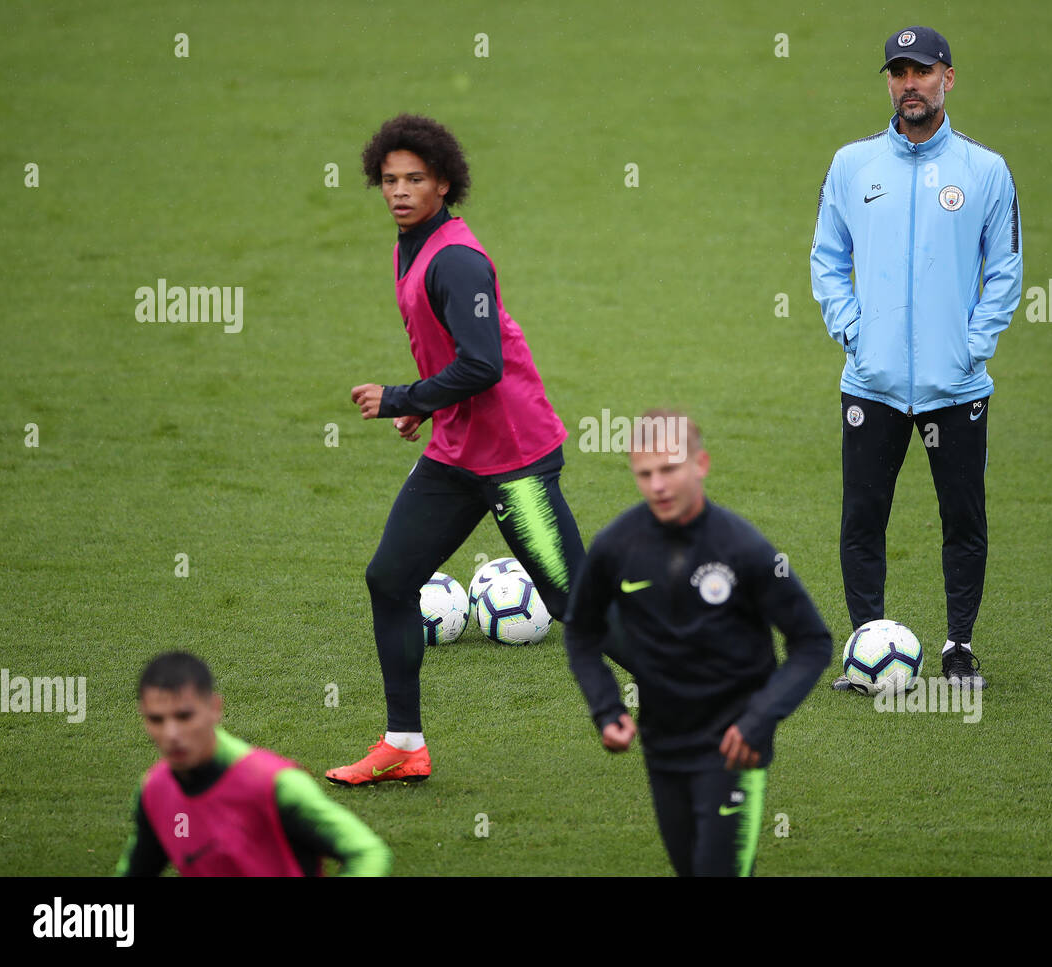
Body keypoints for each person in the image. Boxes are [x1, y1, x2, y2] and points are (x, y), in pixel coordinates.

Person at [329, 114, 586, 785]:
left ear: (443, 183)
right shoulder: (410, 246)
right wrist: (428, 405)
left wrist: (402, 397)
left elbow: (483, 364)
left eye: (415, 179)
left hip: (516, 461)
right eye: (390, 179)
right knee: (390, 578)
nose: (399, 191)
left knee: (576, 605)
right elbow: (454, 356)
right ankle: (403, 744)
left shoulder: (457, 260)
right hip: (457, 451)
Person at [810, 26, 1022, 691]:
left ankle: (959, 647)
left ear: (947, 78)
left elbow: (1005, 270)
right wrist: (853, 331)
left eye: (922, 71)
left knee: (963, 520)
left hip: (955, 388)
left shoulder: (985, 171)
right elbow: (827, 257)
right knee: (862, 520)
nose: (910, 84)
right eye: (898, 72)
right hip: (870, 383)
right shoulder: (852, 164)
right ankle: (866, 649)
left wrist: (970, 347)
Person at [564, 411, 831, 876]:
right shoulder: (616, 546)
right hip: (662, 746)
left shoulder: (744, 548)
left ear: (700, 464)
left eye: (669, 469)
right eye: (645, 474)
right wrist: (606, 709)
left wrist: (759, 719)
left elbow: (812, 642)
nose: (657, 486)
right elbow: (581, 631)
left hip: (734, 748)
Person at [117, 652, 391, 876]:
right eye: (156, 720)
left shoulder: (273, 784)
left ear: (214, 708)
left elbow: (366, 852)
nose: (171, 734)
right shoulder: (155, 791)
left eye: (184, 716)